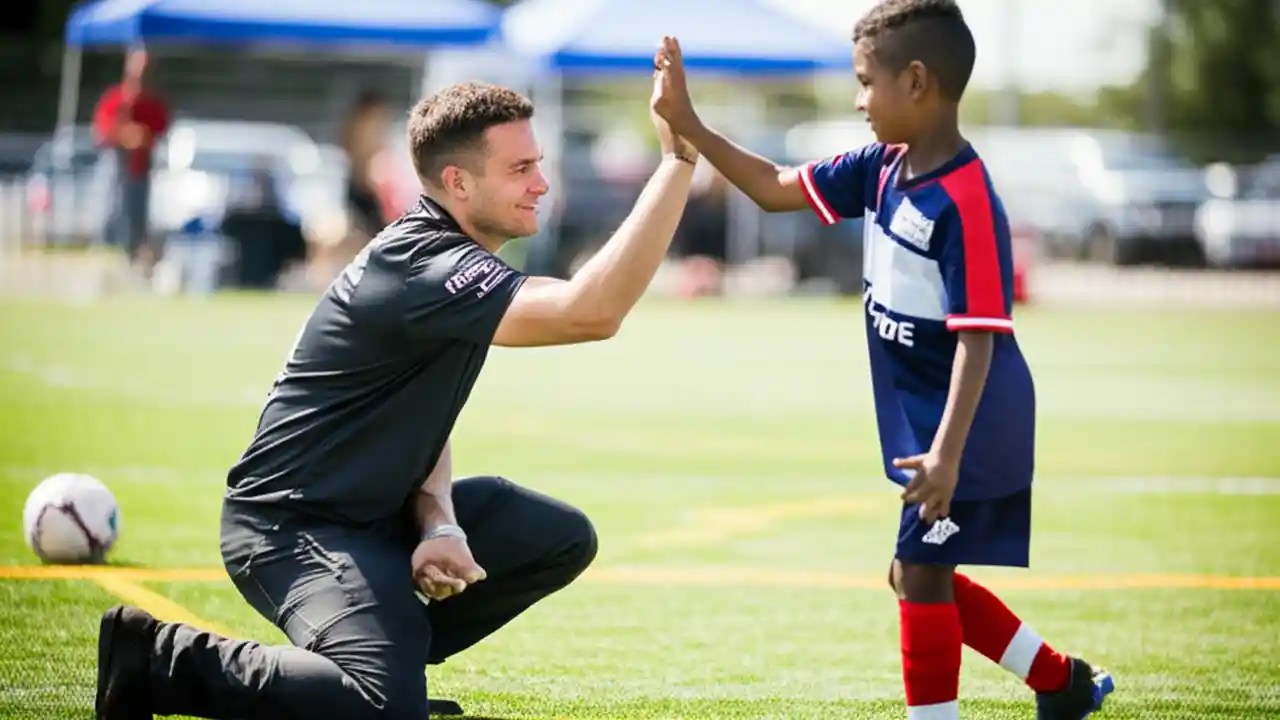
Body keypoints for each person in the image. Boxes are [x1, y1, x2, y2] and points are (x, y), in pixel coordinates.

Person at [95, 69, 700, 719]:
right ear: (459, 182)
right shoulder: (426, 265)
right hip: (291, 526)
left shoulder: (452, 257)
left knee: (555, 537)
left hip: (376, 516)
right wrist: (677, 160)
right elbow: (591, 311)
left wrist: (438, 521)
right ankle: (162, 656)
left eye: (539, 164)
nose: (542, 183)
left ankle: (379, 664)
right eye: (521, 167)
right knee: (383, 706)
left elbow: (422, 421)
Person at [650, 2, 1115, 718]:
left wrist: (947, 455)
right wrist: (691, 124)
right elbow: (775, 189)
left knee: (922, 577)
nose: (859, 99)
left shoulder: (967, 199)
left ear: (919, 82)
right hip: (933, 426)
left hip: (970, 421)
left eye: (867, 82)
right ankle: (1062, 684)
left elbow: (979, 336)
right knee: (913, 573)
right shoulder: (881, 168)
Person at [91, 48, 170, 268]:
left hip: (140, 169)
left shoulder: (153, 103)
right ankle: (105, 258)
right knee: (109, 213)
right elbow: (102, 131)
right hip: (116, 166)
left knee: (136, 219)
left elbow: (160, 130)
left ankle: (132, 258)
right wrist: (124, 135)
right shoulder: (115, 99)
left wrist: (142, 136)